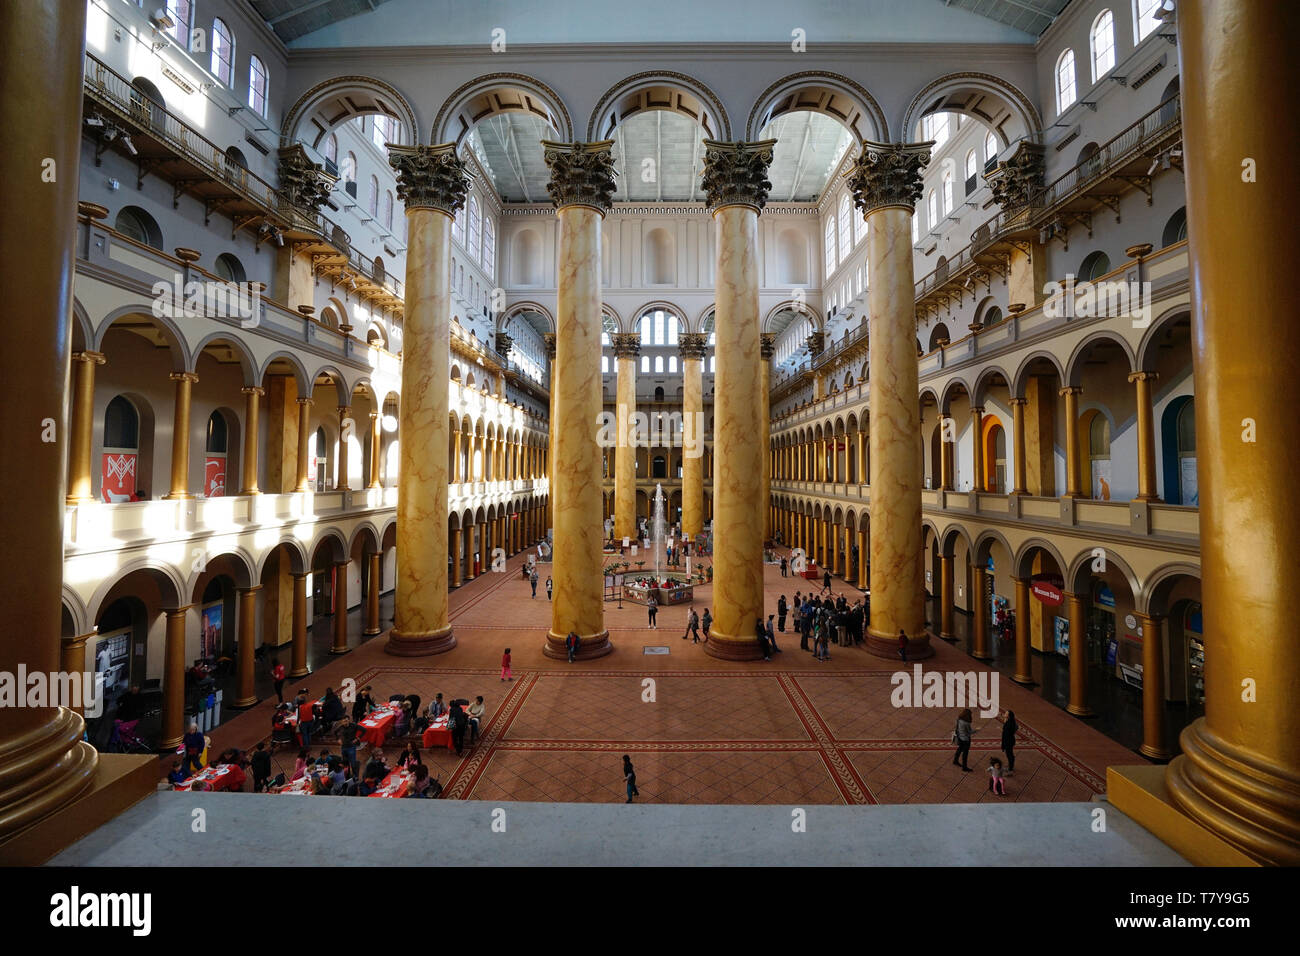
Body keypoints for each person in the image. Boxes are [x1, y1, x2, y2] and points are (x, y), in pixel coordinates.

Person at [1001, 710, 1018, 775]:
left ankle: (1010, 768)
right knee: (1009, 754)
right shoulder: (1010, 721)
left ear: (1009, 716)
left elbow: (1007, 733)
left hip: (1008, 741)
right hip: (1009, 740)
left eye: (1006, 713)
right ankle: (1010, 765)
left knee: (1009, 754)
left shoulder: (1009, 723)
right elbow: (1016, 727)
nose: (1004, 714)